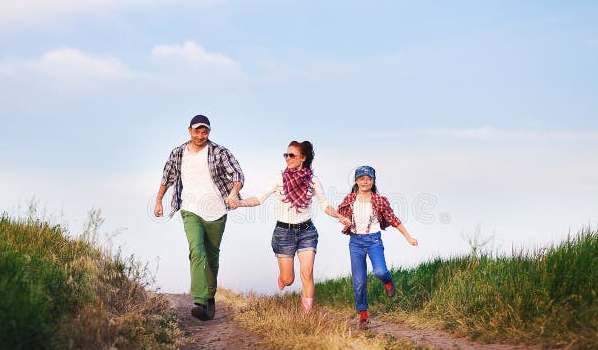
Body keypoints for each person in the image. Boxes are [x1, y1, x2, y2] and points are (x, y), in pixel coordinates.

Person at [230, 141, 350, 315]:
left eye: (292, 155)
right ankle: (283, 278)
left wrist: (340, 217)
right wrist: (239, 203)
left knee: (307, 274)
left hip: (307, 231)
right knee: (288, 279)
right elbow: (258, 199)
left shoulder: (313, 181)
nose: (287, 158)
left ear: (303, 158)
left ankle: (306, 316)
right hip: (283, 233)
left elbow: (324, 205)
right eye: (286, 155)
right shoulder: (279, 179)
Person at [154, 114, 244, 321]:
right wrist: (159, 200)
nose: (200, 136)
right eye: (197, 131)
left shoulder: (220, 152)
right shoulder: (178, 153)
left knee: (212, 257)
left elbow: (238, 175)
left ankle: (210, 296)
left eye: (204, 132)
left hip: (217, 211)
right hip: (190, 209)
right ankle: (200, 301)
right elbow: (167, 177)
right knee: (196, 251)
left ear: (209, 133)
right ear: (189, 131)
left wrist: (233, 193)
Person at [337, 165, 418, 328]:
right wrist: (343, 219)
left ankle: (388, 282)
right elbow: (341, 215)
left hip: (374, 240)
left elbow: (393, 219)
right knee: (359, 282)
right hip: (355, 242)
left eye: (369, 179)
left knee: (380, 271)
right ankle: (363, 317)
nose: (365, 181)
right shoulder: (349, 199)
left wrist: (408, 237)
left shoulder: (379, 200)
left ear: (373, 181)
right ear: (356, 181)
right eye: (362, 178)